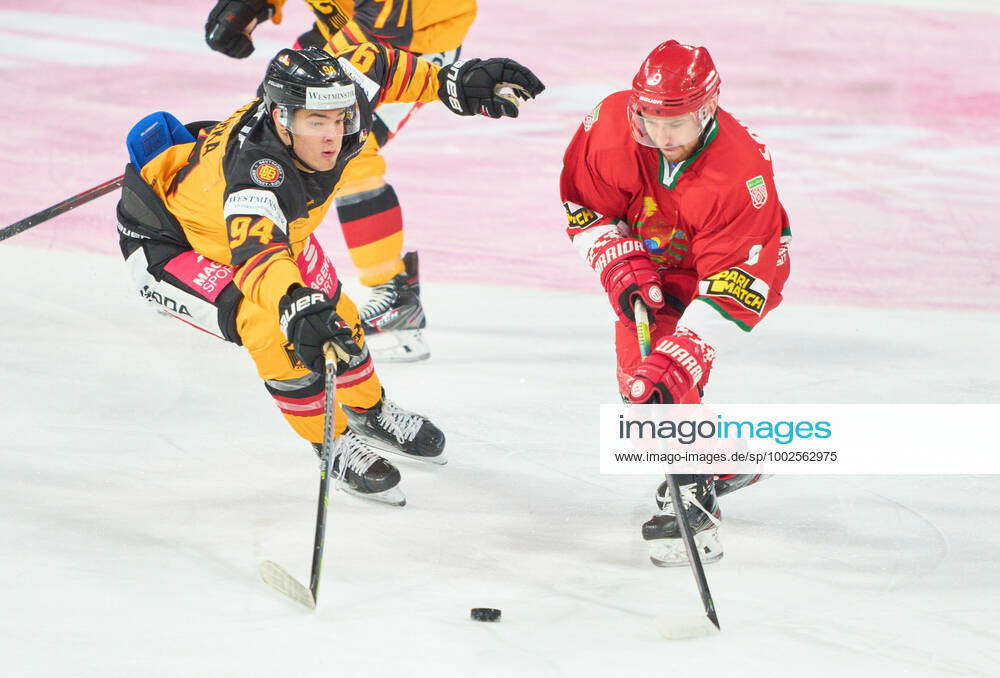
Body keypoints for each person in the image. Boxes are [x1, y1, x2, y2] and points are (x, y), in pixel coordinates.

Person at [117, 45, 543, 506]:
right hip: (172, 243)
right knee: (269, 325)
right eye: (315, 123)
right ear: (281, 119)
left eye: (338, 120)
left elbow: (380, 63)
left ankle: (370, 411)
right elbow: (257, 257)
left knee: (337, 313)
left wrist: (451, 83)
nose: (332, 137)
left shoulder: (338, 98)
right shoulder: (259, 175)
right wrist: (294, 308)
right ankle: (330, 441)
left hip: (274, 232)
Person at [559, 40, 791, 565]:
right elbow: (584, 205)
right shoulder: (614, 126)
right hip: (647, 258)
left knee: (667, 376)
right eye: (650, 121)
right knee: (640, 389)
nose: (660, 136)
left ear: (707, 111)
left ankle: (694, 494)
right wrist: (615, 258)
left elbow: (739, 281)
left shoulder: (739, 172)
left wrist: (687, 351)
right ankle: (727, 460)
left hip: (728, 269)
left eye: (676, 124)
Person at [205, 0, 478, 361]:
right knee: (267, 129)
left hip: (411, 45)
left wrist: (294, 90)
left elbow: (381, 27)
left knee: (346, 145)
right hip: (345, 31)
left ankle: (395, 298)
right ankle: (227, 252)